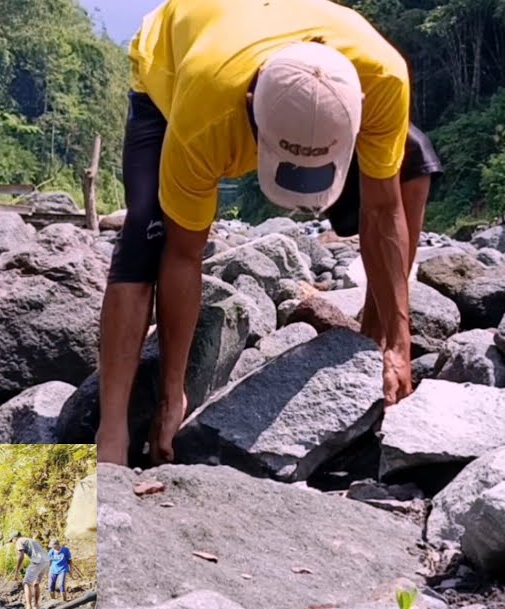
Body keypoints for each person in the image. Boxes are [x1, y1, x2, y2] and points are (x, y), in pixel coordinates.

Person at [96, 0, 443, 466]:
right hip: (176, 68)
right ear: (250, 111)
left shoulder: (382, 78)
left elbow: (383, 210)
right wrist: (172, 394)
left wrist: (401, 344)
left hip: (279, 46)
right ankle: (111, 427)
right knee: (146, 232)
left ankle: (374, 341)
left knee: (414, 167)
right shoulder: (204, 113)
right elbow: (184, 254)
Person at [10, 532, 50, 609]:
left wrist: (17, 571)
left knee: (26, 583)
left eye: (12, 540)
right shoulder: (30, 540)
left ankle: (29, 608)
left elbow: (21, 555)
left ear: (15, 538)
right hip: (46, 561)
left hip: (38, 561)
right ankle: (36, 605)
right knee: (36, 583)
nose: (12, 542)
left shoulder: (19, 541)